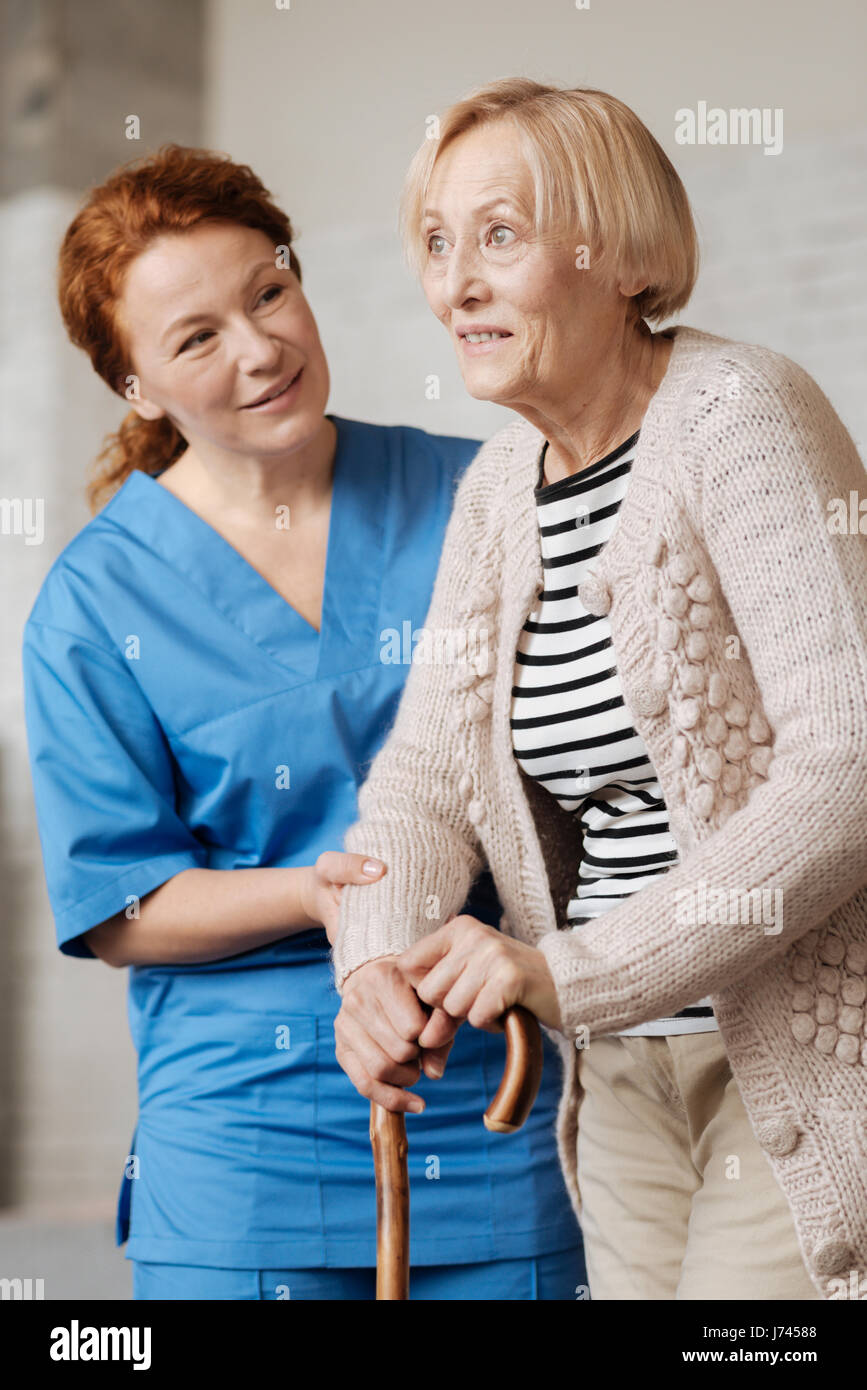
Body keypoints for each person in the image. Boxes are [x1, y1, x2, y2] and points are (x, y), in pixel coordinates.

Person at [330, 80, 867, 1301]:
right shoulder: (496, 491)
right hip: (620, 1081)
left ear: (619, 251)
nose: (455, 283)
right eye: (435, 242)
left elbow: (849, 768)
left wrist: (569, 971)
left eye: (500, 235)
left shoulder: (743, 415)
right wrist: (375, 963)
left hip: (796, 1059)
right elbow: (424, 780)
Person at [21, 144, 587, 1301]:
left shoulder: (481, 495)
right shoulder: (93, 602)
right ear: (137, 385)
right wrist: (324, 892)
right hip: (241, 1148)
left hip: (489, 1099)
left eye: (269, 293)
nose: (261, 348)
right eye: (196, 339)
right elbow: (121, 902)